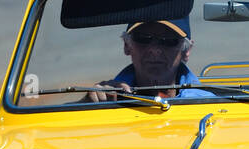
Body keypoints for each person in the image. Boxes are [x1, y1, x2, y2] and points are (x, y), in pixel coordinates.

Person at [82, 19, 213, 102]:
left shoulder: (208, 105)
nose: (154, 49)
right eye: (143, 38)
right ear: (127, 46)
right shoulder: (107, 100)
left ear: (186, 50)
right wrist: (85, 104)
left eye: (168, 40)